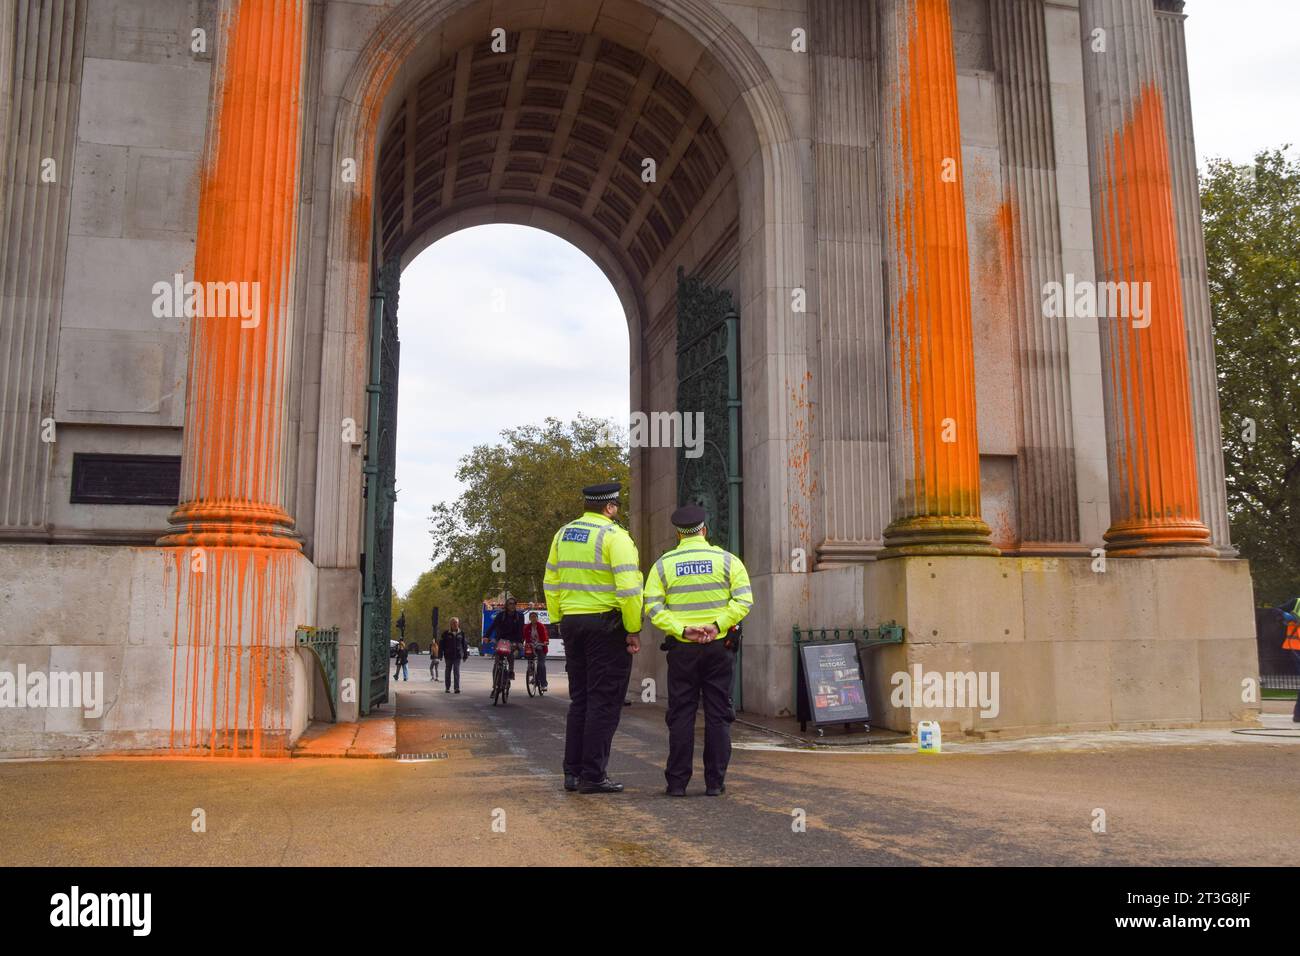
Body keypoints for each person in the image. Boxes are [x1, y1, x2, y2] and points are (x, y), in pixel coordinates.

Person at [643, 505, 753, 797]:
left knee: (681, 714)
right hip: (719, 648)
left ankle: (677, 783)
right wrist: (717, 626)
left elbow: (653, 607)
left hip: (683, 650)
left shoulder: (663, 565)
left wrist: (682, 629)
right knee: (718, 713)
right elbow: (743, 601)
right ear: (704, 530)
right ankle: (714, 783)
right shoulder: (728, 561)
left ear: (679, 533)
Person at [544, 481, 643, 794]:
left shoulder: (562, 535)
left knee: (581, 700)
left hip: (572, 623)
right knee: (604, 701)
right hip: (606, 627)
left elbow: (551, 582)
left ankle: (572, 773)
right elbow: (629, 590)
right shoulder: (615, 536)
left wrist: (559, 620)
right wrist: (632, 629)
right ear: (610, 507)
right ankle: (594, 775)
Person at [484, 597, 524, 680]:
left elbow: (521, 629)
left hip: (513, 640)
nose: (512, 605)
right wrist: (486, 636)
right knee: (497, 660)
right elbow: (493, 626)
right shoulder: (501, 615)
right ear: (506, 605)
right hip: (501, 639)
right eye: (510, 604)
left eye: (514, 604)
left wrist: (520, 642)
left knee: (510, 654)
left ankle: (511, 671)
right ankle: (495, 684)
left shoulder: (520, 616)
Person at [439, 618, 468, 694]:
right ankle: (447, 688)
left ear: (458, 624)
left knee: (456, 671)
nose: (455, 624)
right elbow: (441, 645)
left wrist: (465, 655)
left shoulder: (462, 633)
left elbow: (464, 645)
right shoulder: (445, 633)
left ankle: (456, 688)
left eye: (457, 623)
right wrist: (440, 654)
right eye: (454, 623)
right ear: (451, 624)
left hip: (457, 656)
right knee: (448, 671)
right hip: (448, 656)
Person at [522, 610, 549, 689]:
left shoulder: (541, 626)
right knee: (530, 661)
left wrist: (545, 642)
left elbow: (545, 636)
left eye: (535, 617)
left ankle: (544, 684)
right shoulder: (527, 627)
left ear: (537, 618)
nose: (533, 618)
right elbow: (526, 638)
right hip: (531, 647)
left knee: (541, 665)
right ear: (530, 619)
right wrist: (524, 644)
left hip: (541, 647)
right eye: (532, 617)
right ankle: (533, 675)